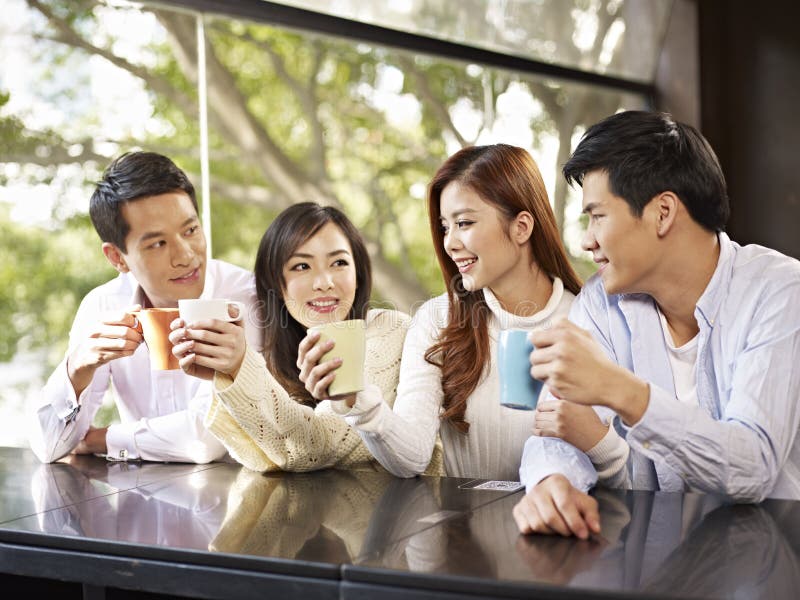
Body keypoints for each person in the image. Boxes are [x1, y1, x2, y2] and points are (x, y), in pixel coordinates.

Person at [513, 110, 800, 539]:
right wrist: (551, 480)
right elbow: (557, 422)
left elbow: (752, 467)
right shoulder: (601, 301)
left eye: (598, 216)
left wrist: (621, 390)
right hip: (656, 563)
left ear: (662, 211)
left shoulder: (779, 290)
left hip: (773, 554)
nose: (586, 240)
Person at [310, 144, 601, 481]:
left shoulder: (588, 320)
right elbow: (412, 457)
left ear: (521, 227)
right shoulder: (438, 319)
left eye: (464, 223)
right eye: (445, 227)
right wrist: (356, 400)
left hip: (564, 524)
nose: (449, 243)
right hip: (461, 530)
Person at [170, 202, 442, 473]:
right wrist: (226, 373)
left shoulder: (390, 330)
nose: (324, 282)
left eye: (339, 263)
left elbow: (317, 448)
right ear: (275, 283)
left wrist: (241, 367)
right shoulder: (276, 353)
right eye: (302, 266)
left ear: (357, 274)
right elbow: (261, 457)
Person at [29, 152, 262, 464]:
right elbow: (49, 448)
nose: (185, 256)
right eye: (157, 244)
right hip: (141, 501)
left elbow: (205, 439)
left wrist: (101, 439)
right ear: (117, 258)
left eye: (190, 230)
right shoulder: (103, 306)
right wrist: (78, 368)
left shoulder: (247, 298)